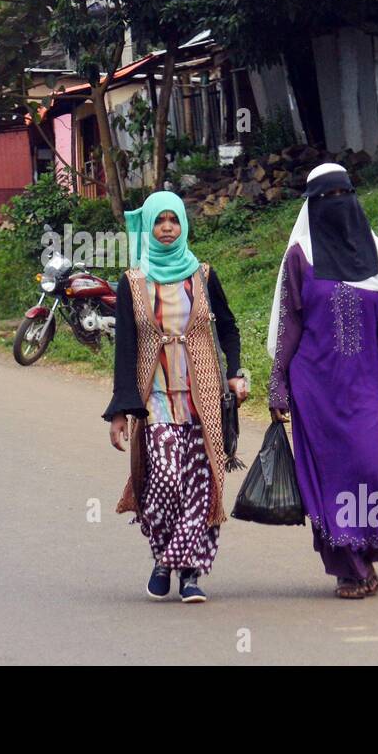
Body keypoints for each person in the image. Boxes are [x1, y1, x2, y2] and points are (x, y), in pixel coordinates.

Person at [267, 163, 378, 600]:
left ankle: (367, 554)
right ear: (311, 205)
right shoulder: (301, 257)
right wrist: (278, 385)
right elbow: (290, 323)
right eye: (325, 197)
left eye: (342, 194)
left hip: (363, 385)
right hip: (315, 386)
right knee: (329, 473)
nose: (335, 204)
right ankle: (349, 569)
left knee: (368, 467)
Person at [104, 191, 246, 604]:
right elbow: (125, 349)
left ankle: (187, 573)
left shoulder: (202, 275)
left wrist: (235, 373)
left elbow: (230, 328)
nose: (167, 227)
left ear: (184, 225)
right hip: (156, 397)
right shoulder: (133, 281)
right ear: (149, 227)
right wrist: (119, 411)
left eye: (175, 220)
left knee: (201, 483)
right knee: (165, 478)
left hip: (203, 394)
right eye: (160, 221)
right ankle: (167, 556)